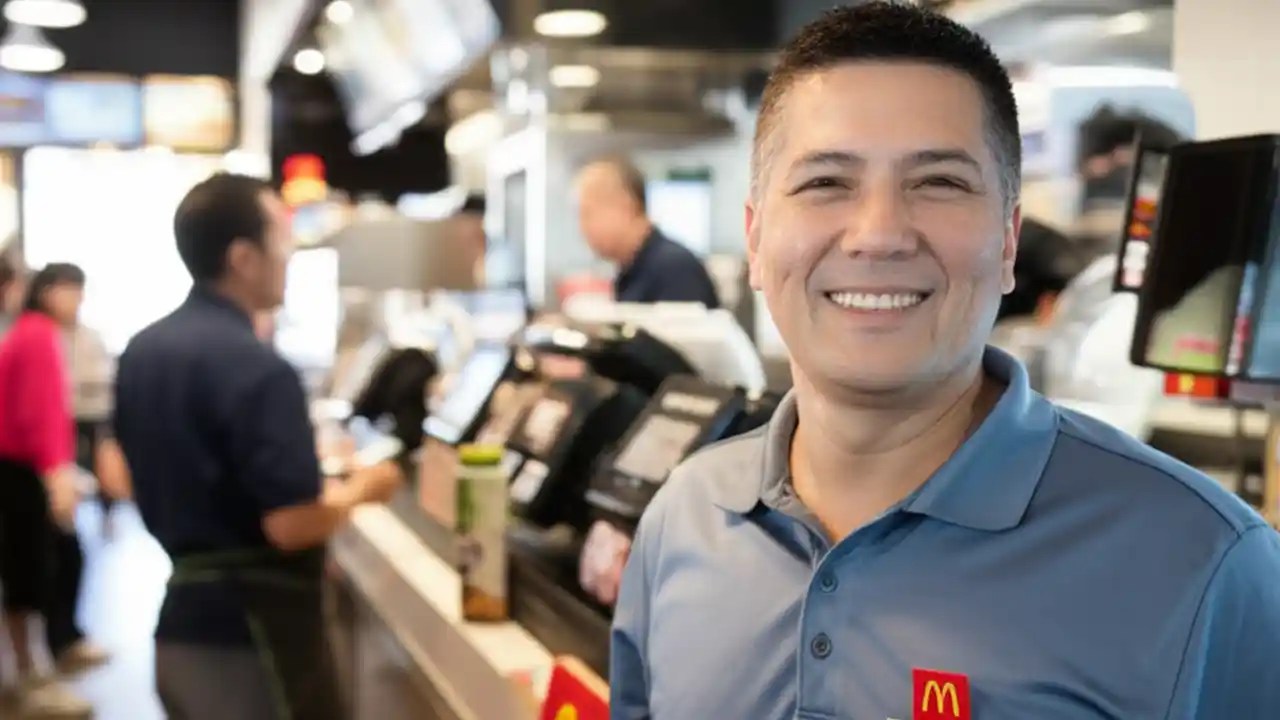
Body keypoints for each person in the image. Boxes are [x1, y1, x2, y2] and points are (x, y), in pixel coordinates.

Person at [610, 4, 1280, 720]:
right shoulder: (685, 518)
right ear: (755, 239)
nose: (879, 235)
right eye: (826, 182)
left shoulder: (1206, 565)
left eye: (939, 183)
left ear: (1008, 242)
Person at [113, 173, 403, 720]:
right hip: (253, 639)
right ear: (244, 257)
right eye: (282, 242)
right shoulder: (258, 367)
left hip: (180, 629)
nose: (289, 257)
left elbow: (122, 471)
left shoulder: (142, 351)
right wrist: (364, 488)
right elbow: (290, 524)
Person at [0, 263, 92, 718]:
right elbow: (35, 412)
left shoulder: (34, 332)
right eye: (74, 291)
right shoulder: (35, 334)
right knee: (30, 573)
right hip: (21, 470)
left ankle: (48, 659)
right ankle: (30, 675)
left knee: (45, 566)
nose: (79, 302)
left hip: (25, 468)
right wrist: (56, 474)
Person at [574, 157, 720, 308]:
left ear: (625, 207)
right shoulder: (630, 272)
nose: (582, 228)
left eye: (587, 214)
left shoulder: (674, 270)